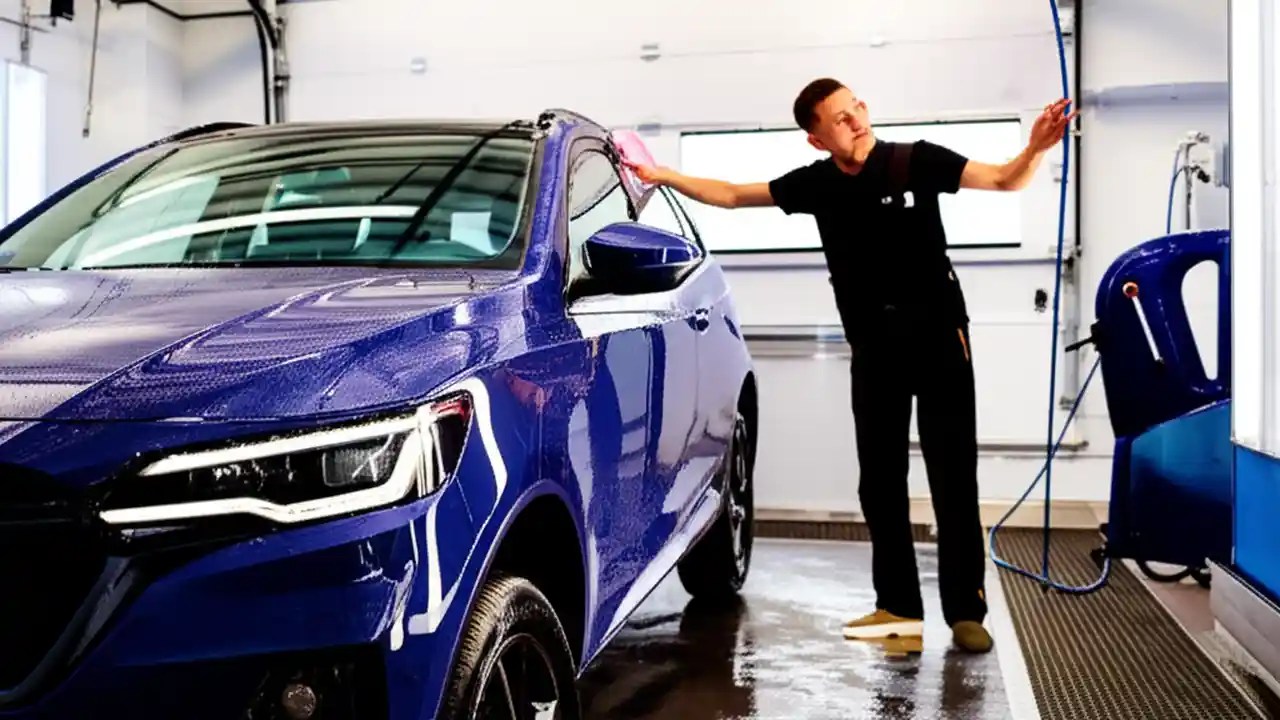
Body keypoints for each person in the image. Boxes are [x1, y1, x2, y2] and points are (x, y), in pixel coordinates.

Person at [623, 78, 1076, 654]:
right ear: (817, 139)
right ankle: (899, 609)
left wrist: (1035, 147)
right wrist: (665, 176)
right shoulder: (817, 185)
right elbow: (735, 194)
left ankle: (967, 612)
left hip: (941, 341)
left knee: (952, 475)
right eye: (839, 118)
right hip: (875, 349)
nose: (856, 120)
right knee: (880, 481)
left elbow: (1003, 180)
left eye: (857, 107)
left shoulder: (917, 162)